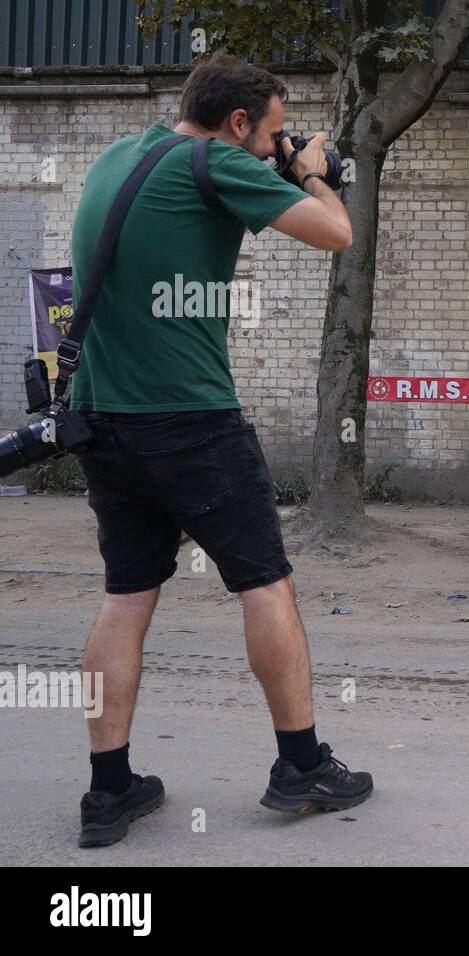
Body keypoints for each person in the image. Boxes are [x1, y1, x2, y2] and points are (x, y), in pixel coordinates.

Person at [70, 54, 371, 848]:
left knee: (126, 594)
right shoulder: (214, 162)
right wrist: (312, 172)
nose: (276, 145)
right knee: (265, 585)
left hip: (101, 418)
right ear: (239, 124)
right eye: (272, 132)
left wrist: (281, 161)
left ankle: (108, 793)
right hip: (191, 422)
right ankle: (302, 766)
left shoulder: (119, 156)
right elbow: (337, 233)